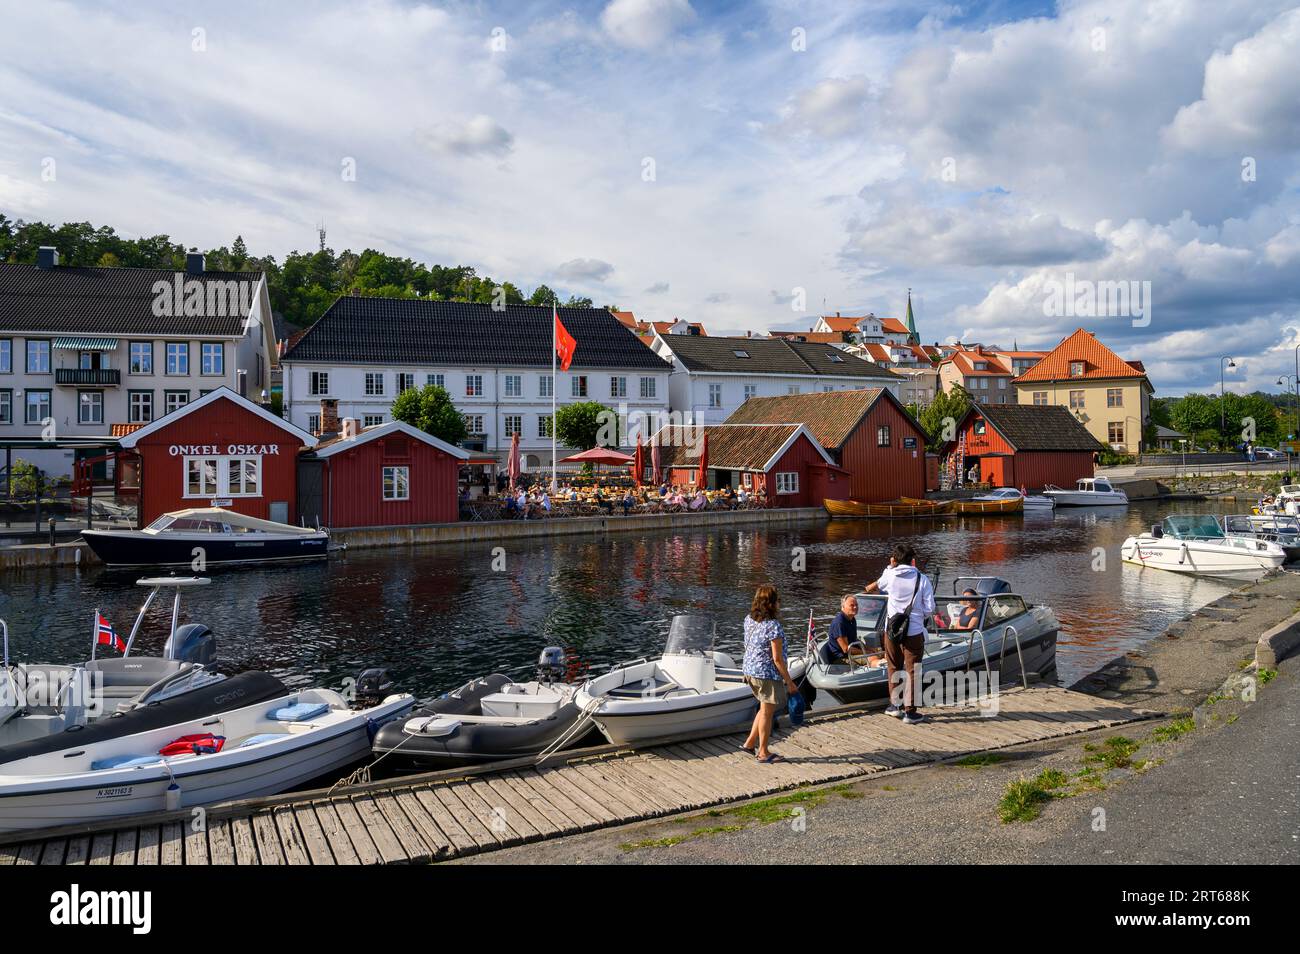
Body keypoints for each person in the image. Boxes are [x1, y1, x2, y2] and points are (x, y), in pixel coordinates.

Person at [864, 544, 935, 724]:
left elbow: (870, 588)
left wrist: (890, 566)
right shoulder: (922, 578)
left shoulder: (890, 575)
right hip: (914, 631)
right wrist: (918, 615)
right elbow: (930, 608)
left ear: (894, 560)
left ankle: (894, 706)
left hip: (892, 630)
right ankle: (910, 712)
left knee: (893, 667)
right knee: (913, 670)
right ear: (912, 561)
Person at [740, 585, 800, 764]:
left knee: (764, 708)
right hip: (766, 674)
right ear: (772, 603)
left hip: (750, 670)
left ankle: (750, 743)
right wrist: (789, 682)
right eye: (777, 600)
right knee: (767, 712)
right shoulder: (773, 626)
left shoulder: (749, 620)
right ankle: (763, 752)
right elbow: (777, 659)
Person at [820, 594, 859, 666]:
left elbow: (855, 640)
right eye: (852, 605)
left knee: (878, 652)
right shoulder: (839, 623)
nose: (855, 607)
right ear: (843, 607)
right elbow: (846, 649)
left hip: (850, 653)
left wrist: (869, 649)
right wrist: (865, 652)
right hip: (841, 658)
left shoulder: (852, 619)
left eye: (856, 605)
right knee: (873, 658)